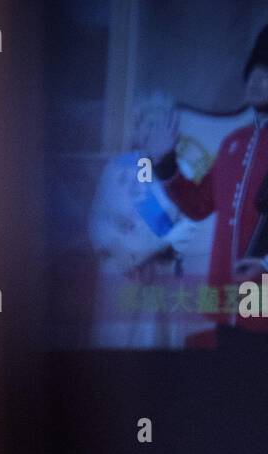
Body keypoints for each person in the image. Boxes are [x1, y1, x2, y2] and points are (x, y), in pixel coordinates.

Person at [147, 18, 268, 350]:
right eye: (253, 70)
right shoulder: (233, 142)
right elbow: (199, 206)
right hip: (225, 301)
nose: (255, 79)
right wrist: (166, 164)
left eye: (267, 72)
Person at [88, 94, 201, 348]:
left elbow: (189, 225)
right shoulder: (115, 168)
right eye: (145, 124)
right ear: (136, 129)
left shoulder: (183, 172)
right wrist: (119, 253)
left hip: (158, 272)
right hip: (118, 270)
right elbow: (97, 218)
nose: (151, 131)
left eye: (158, 124)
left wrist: (147, 255)